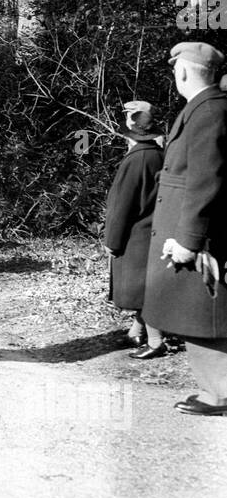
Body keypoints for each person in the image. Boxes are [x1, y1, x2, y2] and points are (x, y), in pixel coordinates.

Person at [142, 41, 227, 413]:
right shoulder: (202, 109)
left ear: (182, 72)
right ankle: (215, 389)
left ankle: (220, 394)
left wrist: (189, 239)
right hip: (187, 230)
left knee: (205, 315)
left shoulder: (208, 111)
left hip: (198, 236)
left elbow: (206, 181)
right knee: (197, 315)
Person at [103, 100, 166, 359]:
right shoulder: (157, 154)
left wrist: (112, 241)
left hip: (135, 237)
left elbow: (122, 206)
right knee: (144, 288)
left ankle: (156, 340)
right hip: (153, 233)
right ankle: (135, 332)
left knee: (142, 292)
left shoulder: (136, 159)